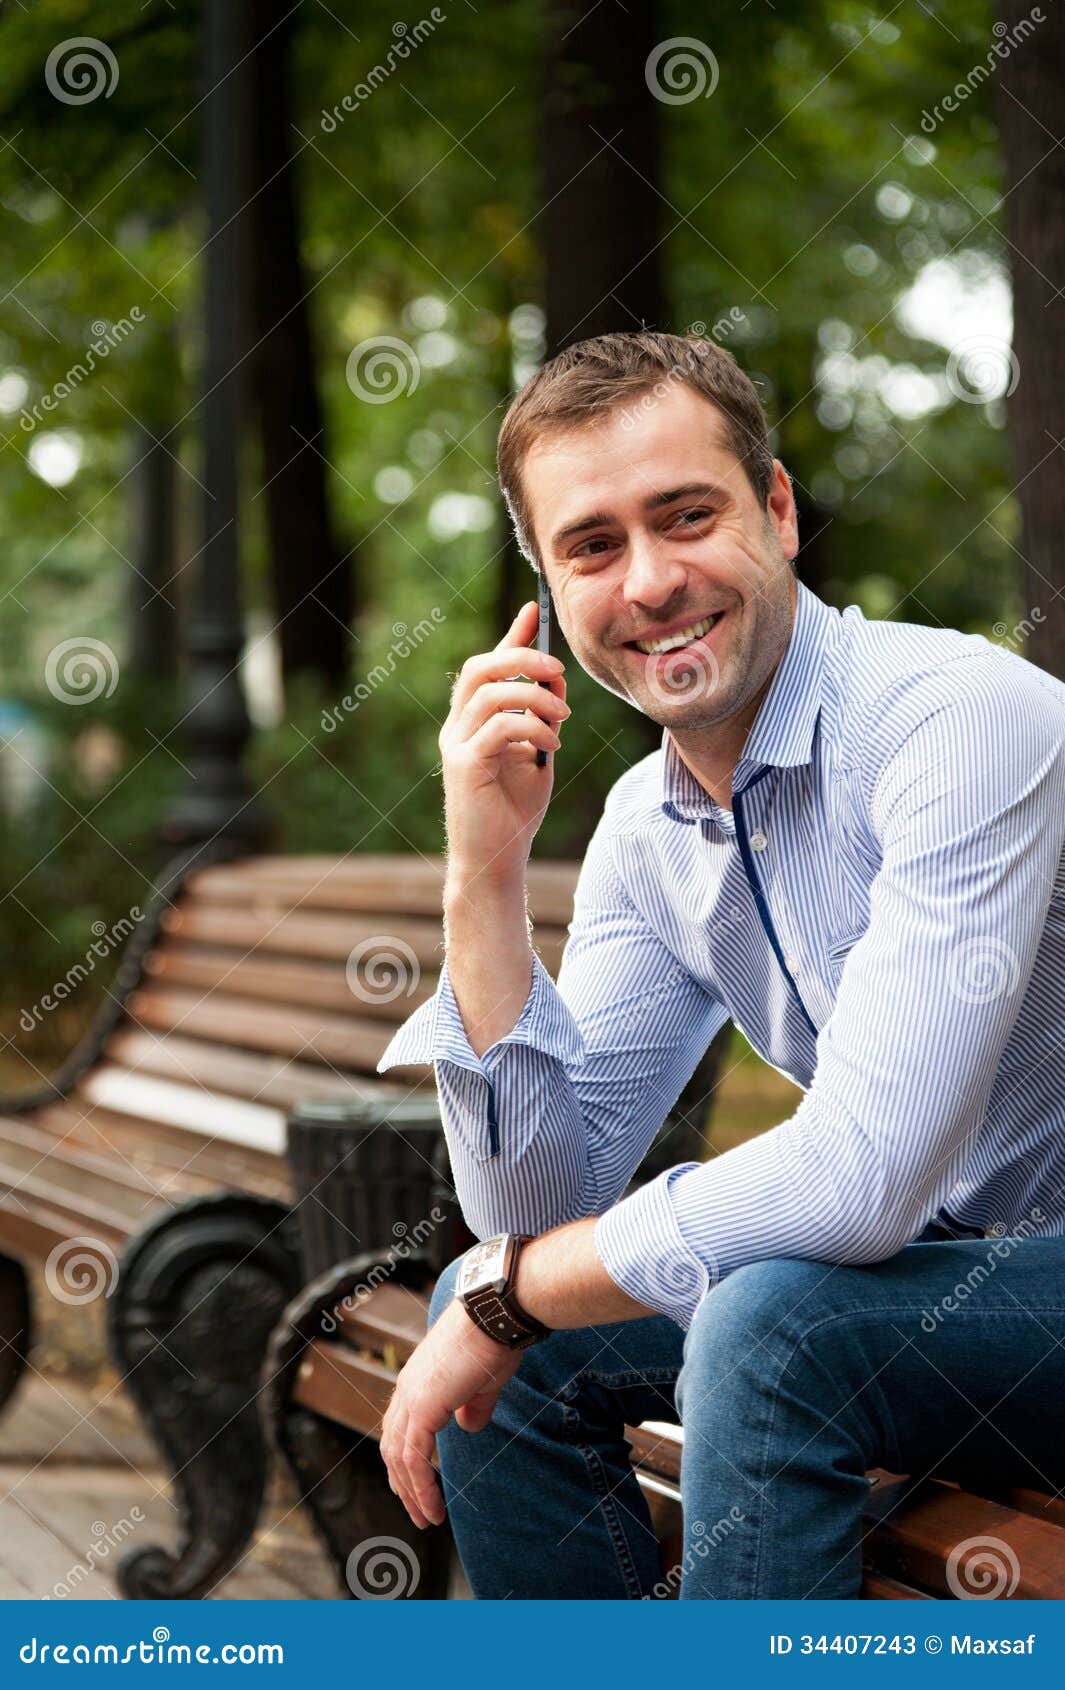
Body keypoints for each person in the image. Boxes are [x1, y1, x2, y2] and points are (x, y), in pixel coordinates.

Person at [375, 331, 1065, 1599]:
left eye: (686, 516)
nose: (648, 581)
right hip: (933, 1287)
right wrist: (482, 877)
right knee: (508, 1333)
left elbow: (859, 1180)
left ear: (780, 510)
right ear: (548, 585)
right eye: (592, 544)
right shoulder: (648, 825)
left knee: (766, 1326)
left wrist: (509, 1289)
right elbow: (536, 1200)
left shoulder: (959, 722)